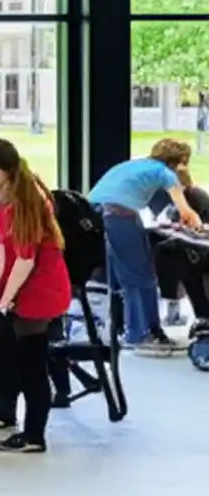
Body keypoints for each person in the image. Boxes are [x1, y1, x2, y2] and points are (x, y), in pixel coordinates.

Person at [0, 139, 71, 454]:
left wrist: (5, 299)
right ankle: (4, 411)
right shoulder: (1, 197)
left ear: (8, 170)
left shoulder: (29, 200)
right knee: (6, 348)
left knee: (32, 364)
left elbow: (26, 259)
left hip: (40, 290)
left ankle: (34, 435)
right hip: (21, 286)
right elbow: (3, 249)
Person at [88, 138, 202, 353]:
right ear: (180, 161)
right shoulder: (166, 173)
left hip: (97, 213)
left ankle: (134, 329)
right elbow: (186, 211)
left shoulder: (135, 164)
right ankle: (139, 334)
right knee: (140, 278)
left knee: (123, 277)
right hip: (119, 215)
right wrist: (197, 226)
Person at [152, 167, 209, 325]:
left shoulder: (197, 197)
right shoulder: (173, 199)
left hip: (199, 246)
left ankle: (196, 313)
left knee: (182, 262)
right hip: (188, 244)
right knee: (165, 254)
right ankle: (174, 304)